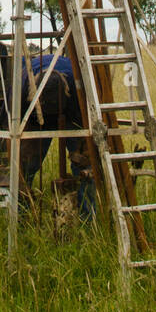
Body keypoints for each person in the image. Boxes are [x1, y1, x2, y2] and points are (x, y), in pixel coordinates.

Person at [17, 53, 95, 219]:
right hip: (35, 116)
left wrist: (82, 155)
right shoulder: (21, 87)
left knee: (85, 168)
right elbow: (10, 129)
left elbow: (87, 126)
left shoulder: (78, 86)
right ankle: (21, 214)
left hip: (69, 112)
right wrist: (20, 177)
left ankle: (88, 218)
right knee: (26, 166)